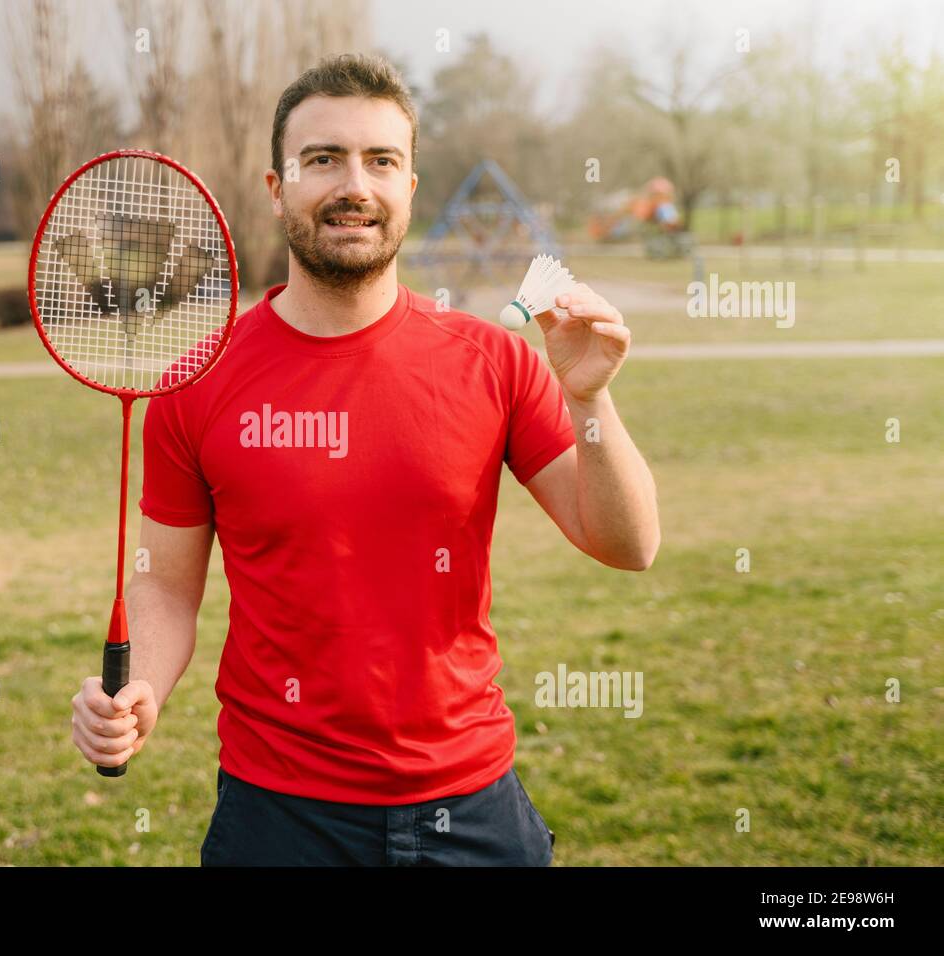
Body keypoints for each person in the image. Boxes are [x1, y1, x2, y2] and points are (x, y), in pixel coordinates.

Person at [71, 53, 660, 866]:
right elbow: (168, 584)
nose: (354, 185)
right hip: (278, 815)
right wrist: (141, 689)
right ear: (277, 190)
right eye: (323, 159)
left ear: (409, 188)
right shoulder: (196, 379)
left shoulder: (496, 361)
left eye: (380, 160)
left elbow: (628, 545)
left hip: (470, 807)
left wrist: (591, 402)